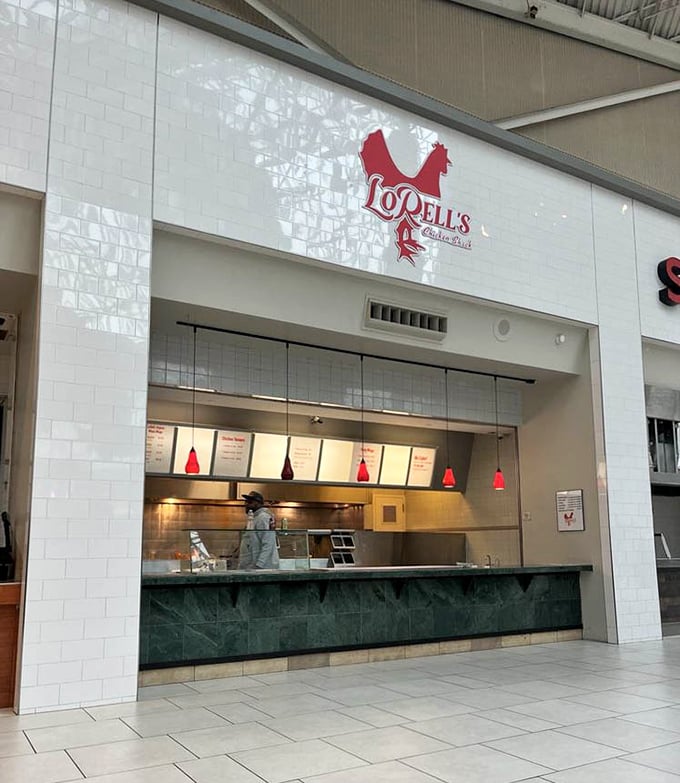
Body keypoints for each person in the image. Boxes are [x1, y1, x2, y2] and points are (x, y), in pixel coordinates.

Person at [239, 491, 279, 570]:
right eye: (246, 502)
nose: (246, 504)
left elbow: (268, 543)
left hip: (263, 568)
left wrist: (259, 564)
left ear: (257, 503)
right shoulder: (255, 518)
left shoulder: (263, 518)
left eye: (249, 502)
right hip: (253, 567)